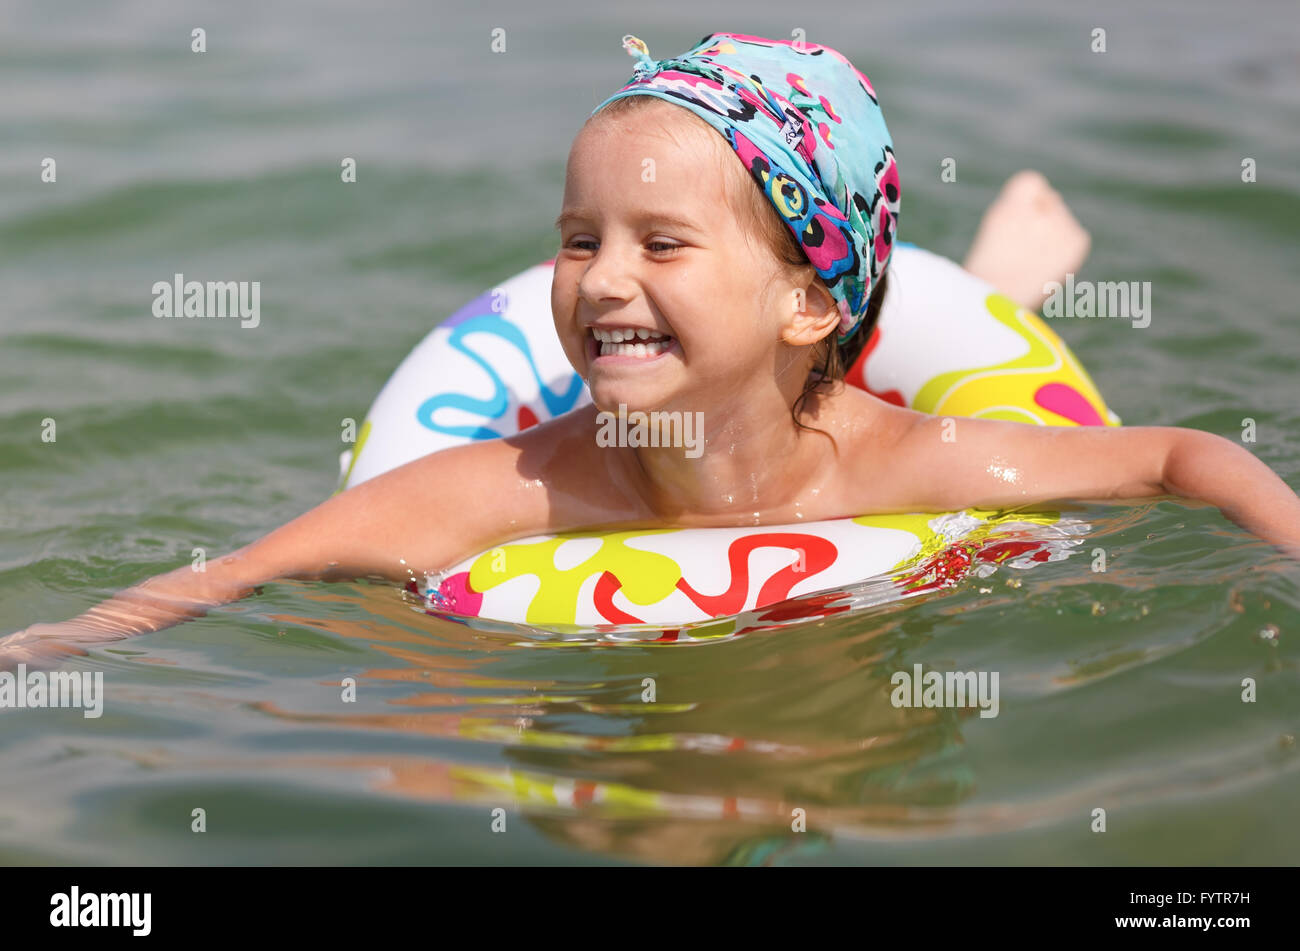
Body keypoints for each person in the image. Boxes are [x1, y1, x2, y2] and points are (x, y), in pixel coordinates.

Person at [4, 32, 1297, 667]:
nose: (602, 280)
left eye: (661, 245)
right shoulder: (525, 485)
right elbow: (239, 572)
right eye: (579, 241)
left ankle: (994, 289)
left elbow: (1181, 460)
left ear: (808, 303)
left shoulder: (906, 464)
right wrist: (54, 644)